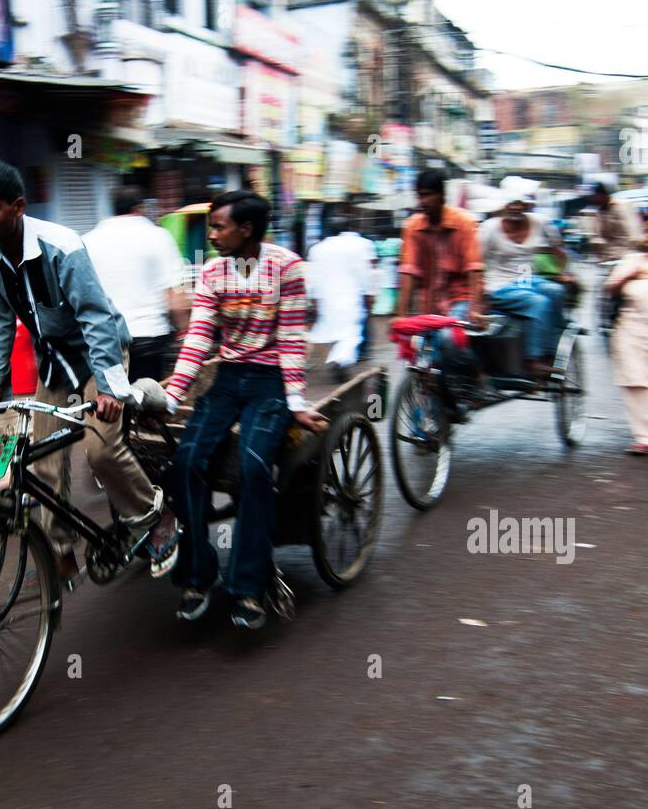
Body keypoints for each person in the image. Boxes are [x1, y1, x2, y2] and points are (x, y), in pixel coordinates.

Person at [0, 159, 178, 578]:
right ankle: (61, 547)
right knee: (43, 461)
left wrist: (111, 391)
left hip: (100, 352)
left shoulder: (61, 246)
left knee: (101, 450)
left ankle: (155, 518)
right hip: (55, 362)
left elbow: (96, 317)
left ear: (18, 207)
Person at [163, 190, 327, 631]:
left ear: (246, 229)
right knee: (185, 462)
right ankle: (197, 575)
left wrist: (295, 402)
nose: (212, 235)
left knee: (255, 469)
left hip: (270, 381)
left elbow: (293, 339)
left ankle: (249, 585)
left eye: (218, 227)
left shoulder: (287, 267)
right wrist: (174, 394)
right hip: (229, 378)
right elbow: (199, 337)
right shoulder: (214, 271)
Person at [84, 185, 189, 383]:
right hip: (148, 337)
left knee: (112, 403)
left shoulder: (87, 240)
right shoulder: (159, 236)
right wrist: (184, 333)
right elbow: (175, 295)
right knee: (147, 400)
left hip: (104, 339)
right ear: (139, 208)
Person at [479, 179, 572, 376]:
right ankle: (534, 359)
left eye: (519, 206)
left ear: (527, 206)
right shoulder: (489, 228)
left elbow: (559, 248)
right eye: (510, 206)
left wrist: (563, 272)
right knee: (539, 303)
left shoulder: (541, 222)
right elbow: (476, 262)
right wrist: (478, 296)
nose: (514, 211)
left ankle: (551, 349)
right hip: (498, 285)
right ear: (503, 207)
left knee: (556, 291)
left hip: (526, 280)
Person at [394, 169, 485, 324]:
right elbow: (408, 271)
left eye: (428, 195)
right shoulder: (412, 227)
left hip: (462, 299)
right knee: (420, 343)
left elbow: (474, 269)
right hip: (430, 303)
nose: (423, 201)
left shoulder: (464, 223)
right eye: (420, 196)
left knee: (449, 337)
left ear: (442, 195)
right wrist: (401, 315)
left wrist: (475, 309)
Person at [306, 214, 377, 379]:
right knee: (350, 333)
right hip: (350, 295)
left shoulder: (317, 249)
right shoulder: (358, 245)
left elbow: (313, 278)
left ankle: (338, 359)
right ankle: (341, 360)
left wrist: (314, 300)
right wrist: (369, 294)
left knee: (331, 331)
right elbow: (365, 273)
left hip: (326, 297)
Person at [605, 235, 648, 453]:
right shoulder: (632, 261)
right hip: (631, 328)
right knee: (635, 381)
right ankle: (643, 437)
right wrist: (627, 277)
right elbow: (610, 289)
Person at [589, 183, 639, 263]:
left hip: (625, 257)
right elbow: (598, 236)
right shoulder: (600, 211)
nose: (593, 199)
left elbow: (634, 233)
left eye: (595, 196)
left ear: (602, 195)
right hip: (608, 258)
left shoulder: (622, 207)